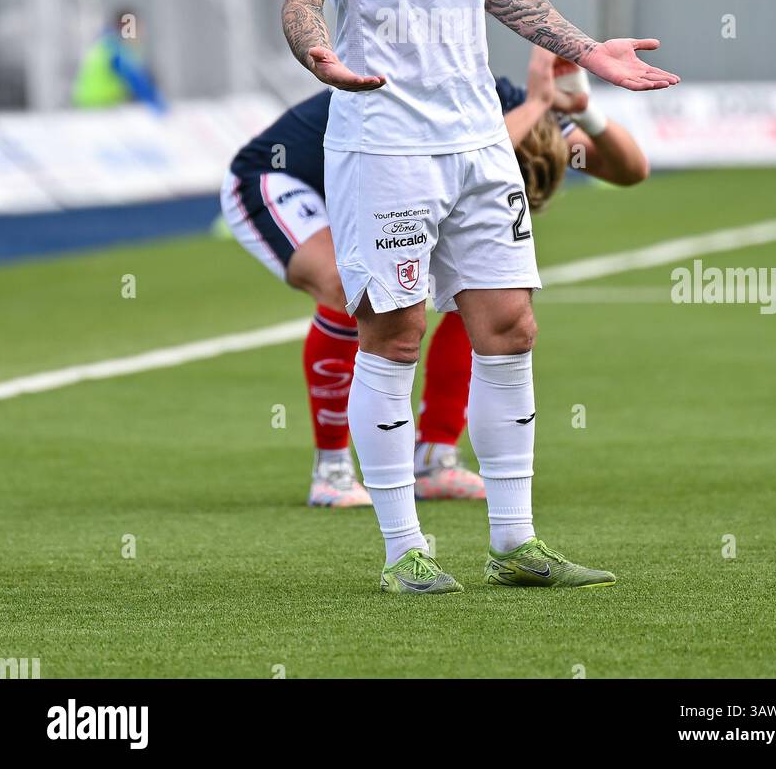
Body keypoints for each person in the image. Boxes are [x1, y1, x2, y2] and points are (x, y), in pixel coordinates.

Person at [279, 0, 679, 594]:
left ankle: (515, 541)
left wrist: (589, 49)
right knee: (394, 335)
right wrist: (320, 56)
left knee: (510, 326)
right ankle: (403, 551)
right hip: (385, 141)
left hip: (476, 136)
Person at [222, 47, 648, 507]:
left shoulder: (514, 105)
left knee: (485, 293)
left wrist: (587, 113)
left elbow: (631, 170)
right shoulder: (455, 99)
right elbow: (476, 152)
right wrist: (540, 105)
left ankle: (434, 458)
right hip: (281, 178)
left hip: (373, 195)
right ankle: (331, 469)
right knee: (351, 290)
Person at [72, 10, 166, 111]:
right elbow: (135, 79)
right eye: (138, 28)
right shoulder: (116, 49)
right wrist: (158, 104)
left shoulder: (104, 44)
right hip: (101, 108)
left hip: (87, 106)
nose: (141, 33)